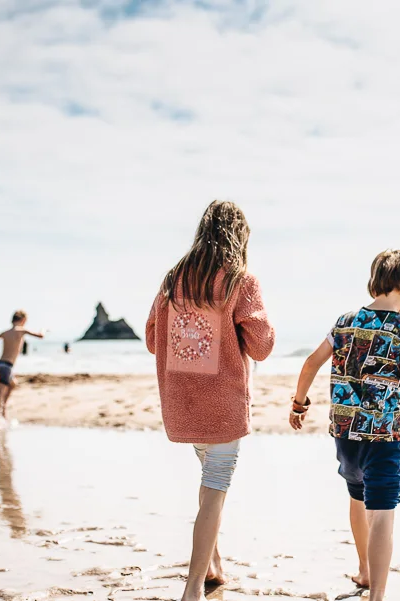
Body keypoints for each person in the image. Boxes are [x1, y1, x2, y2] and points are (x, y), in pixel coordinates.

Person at [288, 249, 400, 601]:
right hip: (384, 436)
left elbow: (311, 363)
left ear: (375, 282)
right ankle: (377, 595)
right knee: (383, 510)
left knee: (358, 497)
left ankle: (364, 570)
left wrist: (299, 403)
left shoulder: (344, 321)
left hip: (345, 435)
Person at [145, 200, 275, 601]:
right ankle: (192, 588)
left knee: (208, 486)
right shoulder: (240, 280)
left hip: (182, 403)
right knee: (215, 488)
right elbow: (262, 345)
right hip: (222, 406)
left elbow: (153, 339)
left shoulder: (172, 279)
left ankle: (213, 566)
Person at [0, 310, 44, 426]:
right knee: (1, 390)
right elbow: (40, 336)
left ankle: (2, 409)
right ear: (23, 320)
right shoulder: (21, 330)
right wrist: (43, 330)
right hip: (6, 366)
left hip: (2, 364)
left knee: (13, 384)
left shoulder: (5, 333)